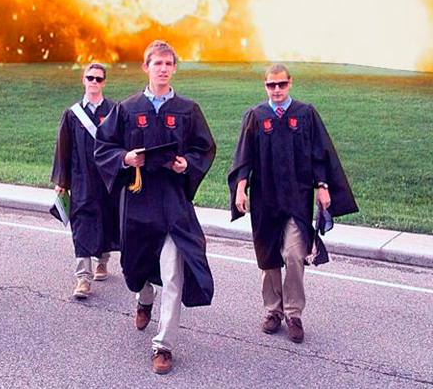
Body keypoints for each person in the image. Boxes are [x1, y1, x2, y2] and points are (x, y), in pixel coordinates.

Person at [94, 40, 216, 375]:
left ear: (174, 68)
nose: (162, 68)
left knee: (174, 272)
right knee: (135, 268)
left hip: (174, 204)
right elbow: (103, 146)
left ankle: (163, 346)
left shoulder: (188, 110)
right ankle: (144, 297)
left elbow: (204, 148)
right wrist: (125, 158)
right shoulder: (128, 108)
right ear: (145, 67)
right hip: (139, 201)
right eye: (156, 63)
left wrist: (187, 164)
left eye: (168, 63)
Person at [227, 63, 358, 343]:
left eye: (281, 84)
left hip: (297, 197)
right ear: (264, 86)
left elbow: (319, 154)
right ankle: (272, 310)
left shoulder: (305, 113)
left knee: (294, 254)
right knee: (268, 256)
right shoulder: (255, 116)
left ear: (290, 83)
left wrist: (322, 186)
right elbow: (243, 157)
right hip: (265, 198)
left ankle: (293, 313)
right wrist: (240, 190)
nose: (276, 90)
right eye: (271, 85)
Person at [50, 62, 120, 300]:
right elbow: (63, 148)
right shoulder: (72, 114)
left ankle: (103, 261)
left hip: (107, 181)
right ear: (83, 80)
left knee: (107, 222)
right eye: (90, 77)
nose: (94, 82)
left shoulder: (114, 111)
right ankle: (83, 278)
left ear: (104, 82)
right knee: (81, 226)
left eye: (98, 79)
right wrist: (61, 180)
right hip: (81, 179)